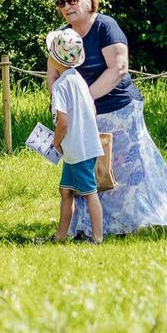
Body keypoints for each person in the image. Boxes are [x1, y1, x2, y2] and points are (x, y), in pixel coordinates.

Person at [54, 0, 167, 239]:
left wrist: (84, 101)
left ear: (89, 0)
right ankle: (88, 226)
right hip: (85, 117)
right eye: (61, 2)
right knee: (89, 172)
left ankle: (131, 222)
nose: (67, 6)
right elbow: (55, 73)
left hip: (119, 109)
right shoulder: (63, 36)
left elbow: (119, 67)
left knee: (124, 171)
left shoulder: (105, 26)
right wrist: (65, 108)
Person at [44, 27, 104, 243]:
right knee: (66, 190)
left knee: (90, 193)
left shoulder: (60, 86)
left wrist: (56, 141)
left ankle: (97, 238)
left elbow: (63, 121)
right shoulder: (79, 80)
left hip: (77, 149)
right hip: (82, 147)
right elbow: (92, 110)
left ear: (54, 57)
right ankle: (60, 236)